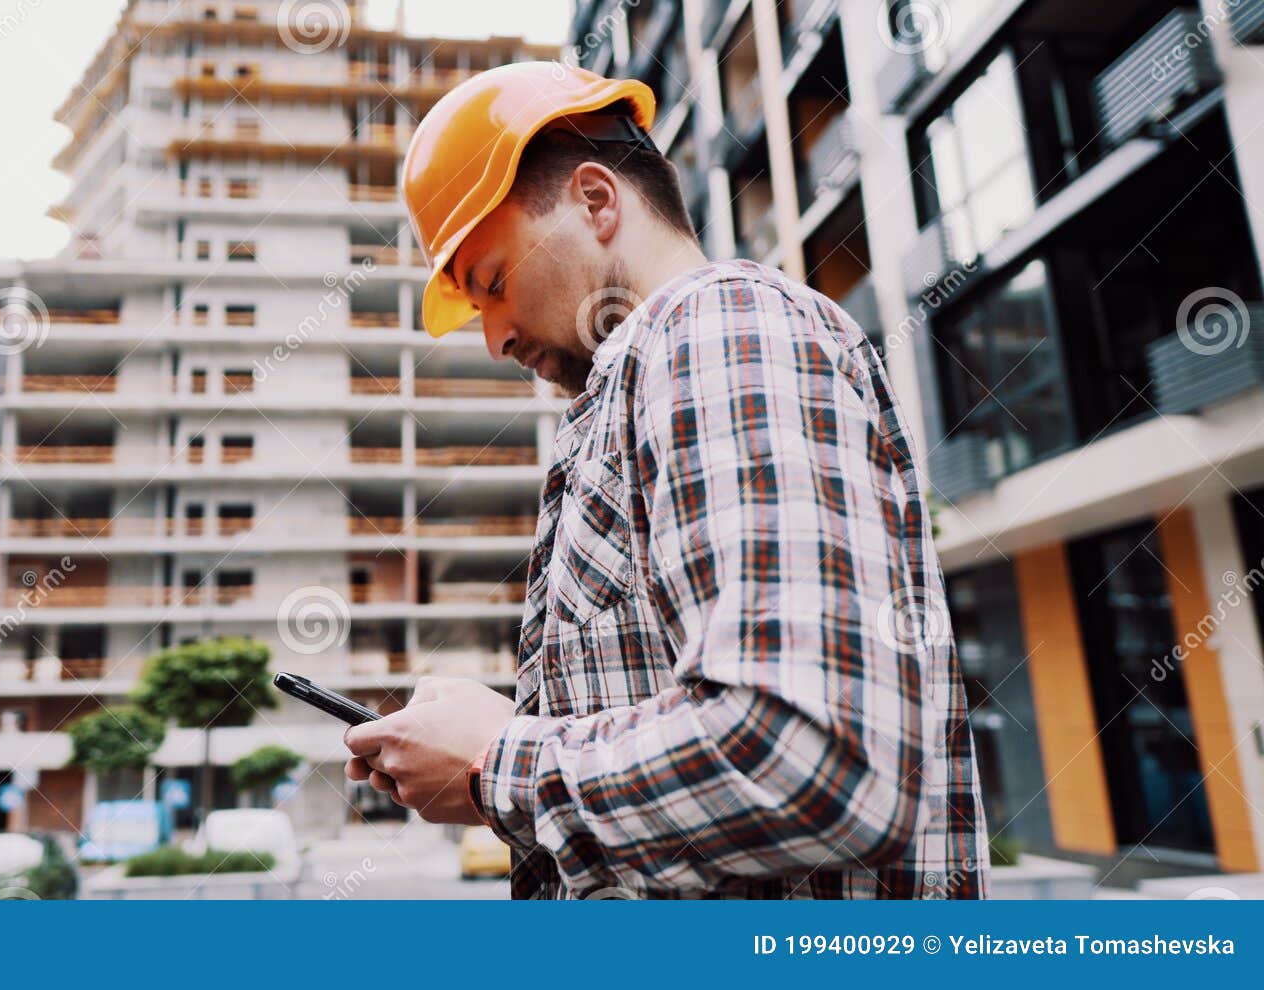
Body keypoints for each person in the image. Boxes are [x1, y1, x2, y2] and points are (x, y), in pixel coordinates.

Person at [343, 62, 988, 899]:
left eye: (493, 283)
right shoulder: (644, 386)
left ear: (595, 201)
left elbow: (808, 759)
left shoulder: (718, 328)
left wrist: (494, 763)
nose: (494, 337)